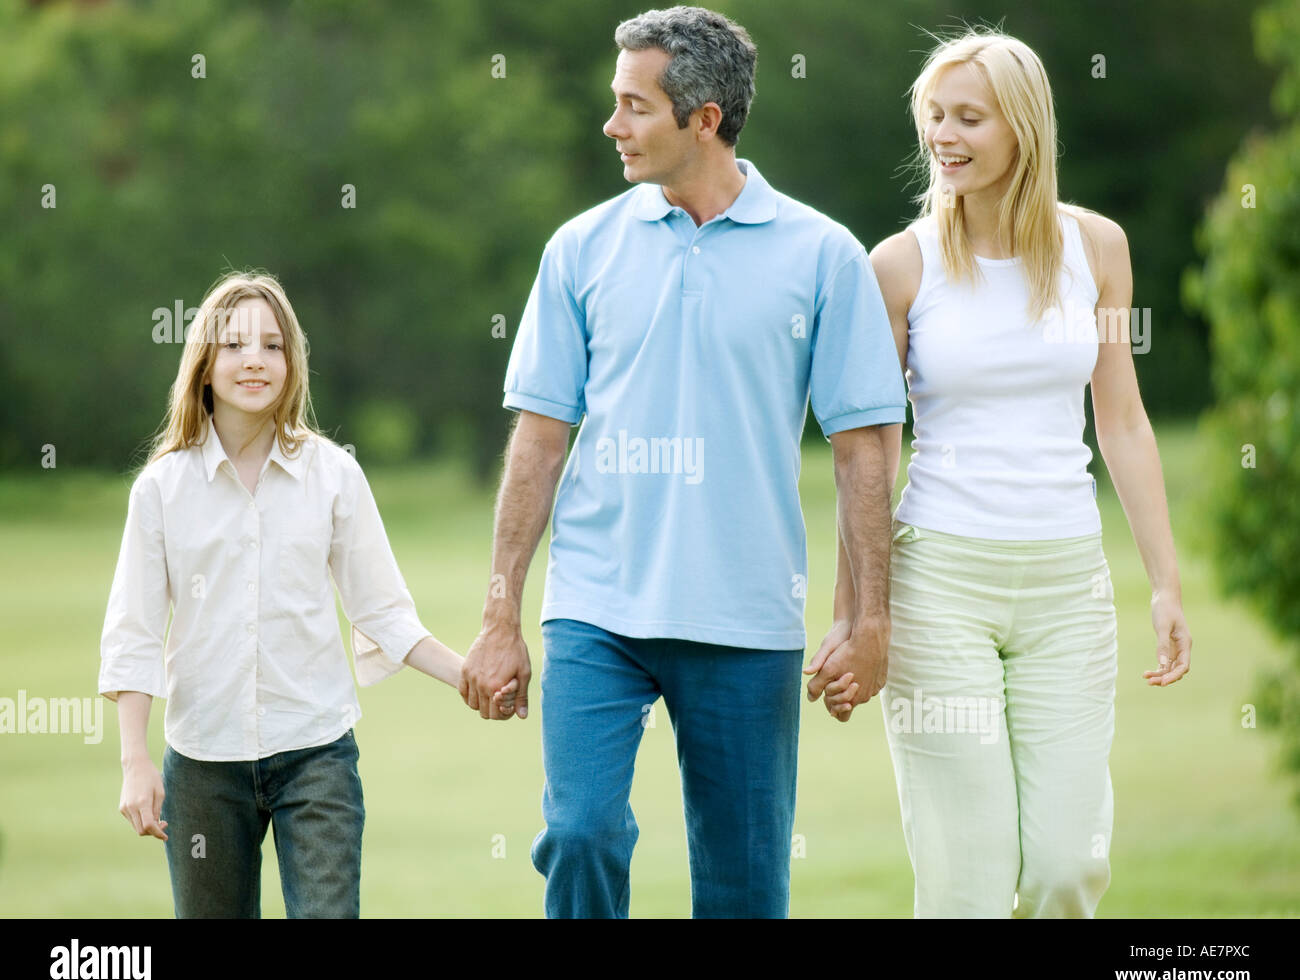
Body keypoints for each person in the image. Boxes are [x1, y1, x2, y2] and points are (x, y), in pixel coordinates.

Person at [460, 5, 906, 918]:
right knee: (581, 832)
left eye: (633, 106)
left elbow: (862, 452)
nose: (612, 125)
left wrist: (870, 617)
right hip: (596, 608)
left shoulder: (823, 255)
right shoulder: (580, 248)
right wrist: (500, 610)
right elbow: (541, 439)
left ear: (703, 119)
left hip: (746, 616)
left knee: (744, 886)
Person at [810, 29, 1193, 917]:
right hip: (941, 580)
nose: (944, 135)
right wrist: (856, 611)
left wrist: (1165, 582)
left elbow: (1124, 419)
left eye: (968, 118)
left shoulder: (1098, 249)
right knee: (969, 883)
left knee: (1064, 866)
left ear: (1022, 127)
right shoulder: (898, 267)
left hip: (1068, 588)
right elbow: (869, 452)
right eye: (933, 116)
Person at [98, 271, 515, 918]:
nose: (255, 360)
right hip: (204, 765)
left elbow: (385, 615)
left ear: (292, 363)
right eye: (234, 345)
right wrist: (134, 760)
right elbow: (135, 631)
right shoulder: (160, 490)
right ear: (205, 365)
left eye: (273, 344)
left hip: (316, 758)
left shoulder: (333, 475)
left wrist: (472, 678)